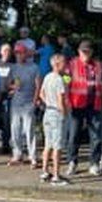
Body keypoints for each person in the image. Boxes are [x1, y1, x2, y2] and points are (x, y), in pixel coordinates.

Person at [66, 40, 102, 176]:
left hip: (94, 104)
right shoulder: (72, 64)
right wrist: (66, 100)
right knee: (74, 134)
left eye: (88, 51)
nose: (86, 54)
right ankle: (72, 162)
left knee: (96, 135)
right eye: (83, 51)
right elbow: (65, 82)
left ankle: (94, 163)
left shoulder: (97, 65)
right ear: (79, 52)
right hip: (76, 104)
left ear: (91, 52)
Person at [8, 43, 41, 167]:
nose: (18, 55)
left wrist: (34, 101)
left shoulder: (34, 67)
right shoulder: (13, 67)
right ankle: (17, 154)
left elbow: (38, 85)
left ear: (26, 54)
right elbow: (8, 84)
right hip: (16, 103)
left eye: (21, 52)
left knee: (29, 131)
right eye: (16, 53)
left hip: (28, 103)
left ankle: (33, 156)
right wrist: (13, 86)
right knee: (15, 130)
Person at [40, 54, 69, 185]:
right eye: (63, 63)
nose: (65, 65)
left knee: (48, 144)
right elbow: (61, 99)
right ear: (57, 64)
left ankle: (45, 171)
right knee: (58, 146)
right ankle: (56, 175)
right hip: (57, 113)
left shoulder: (47, 76)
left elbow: (41, 93)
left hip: (48, 111)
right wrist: (64, 114)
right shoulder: (59, 80)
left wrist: (48, 103)